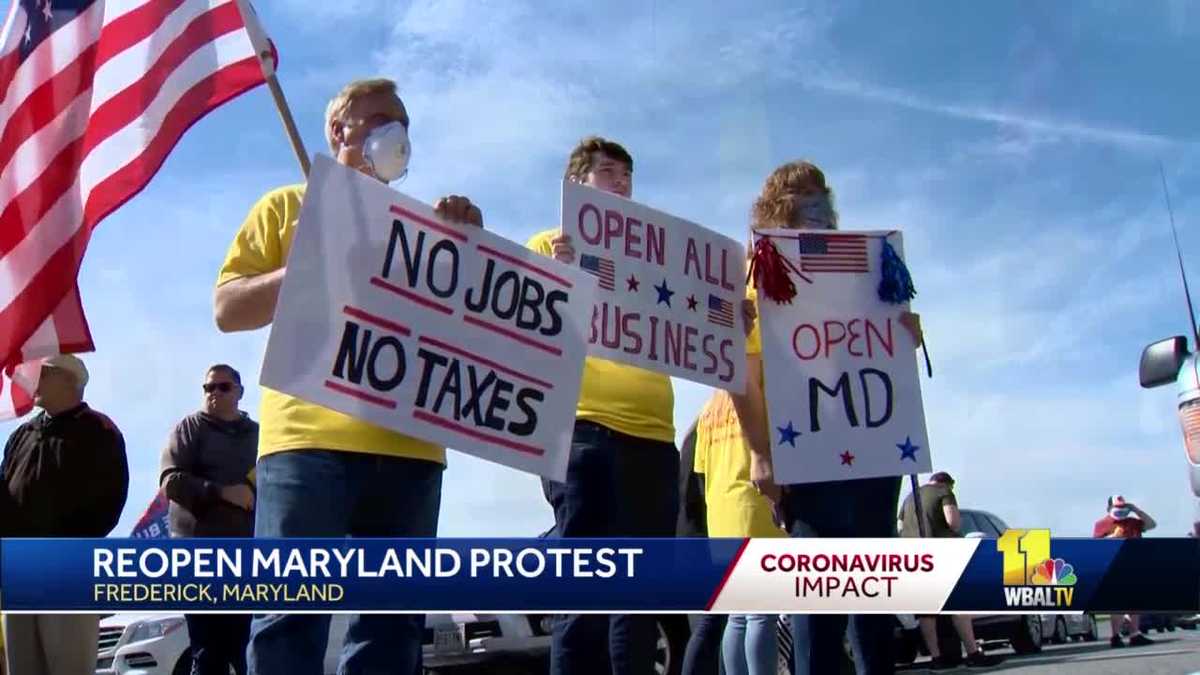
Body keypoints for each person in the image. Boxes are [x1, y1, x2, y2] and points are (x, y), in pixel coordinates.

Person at [213, 77, 483, 675]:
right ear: (339, 131)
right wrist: (307, 264)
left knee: (391, 631)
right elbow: (228, 309)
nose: (399, 131)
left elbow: (472, 329)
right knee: (288, 621)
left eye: (405, 121)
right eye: (382, 117)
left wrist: (471, 250)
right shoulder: (287, 205)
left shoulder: (428, 225)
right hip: (307, 446)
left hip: (411, 447)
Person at [728, 160, 922, 675]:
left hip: (875, 459)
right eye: (805, 203)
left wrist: (906, 335)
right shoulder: (760, 283)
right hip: (810, 464)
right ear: (780, 211)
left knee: (876, 604)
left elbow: (885, 358)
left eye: (823, 202)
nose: (819, 213)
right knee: (821, 605)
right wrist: (760, 456)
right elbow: (744, 380)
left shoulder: (867, 273)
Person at [526, 136, 683, 675]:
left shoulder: (658, 261)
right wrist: (561, 277)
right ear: (575, 185)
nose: (622, 182)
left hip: (655, 439)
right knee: (585, 591)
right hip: (582, 431)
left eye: (628, 175)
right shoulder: (548, 245)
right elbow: (525, 327)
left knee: (641, 596)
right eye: (609, 172)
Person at [1, 354, 128, 675]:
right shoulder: (21, 435)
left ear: (69, 380)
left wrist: (68, 551)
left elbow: (109, 502)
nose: (33, 379)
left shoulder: (99, 431)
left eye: (43, 372)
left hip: (66, 568)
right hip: (19, 569)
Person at [160, 364, 259, 675]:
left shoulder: (261, 435)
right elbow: (171, 481)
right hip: (199, 559)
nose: (214, 393)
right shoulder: (187, 429)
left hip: (250, 561)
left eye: (223, 387)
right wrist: (221, 492)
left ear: (240, 392)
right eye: (208, 388)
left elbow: (277, 478)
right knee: (208, 656)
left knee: (252, 652)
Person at [695, 390, 786, 675]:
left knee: (738, 615)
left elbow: (701, 468)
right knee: (761, 612)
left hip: (721, 516)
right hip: (754, 507)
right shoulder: (760, 393)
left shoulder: (709, 409)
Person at [898, 472, 1004, 670]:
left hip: (914, 558)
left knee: (926, 612)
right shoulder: (943, 491)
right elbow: (952, 522)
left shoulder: (909, 498)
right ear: (947, 483)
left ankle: (936, 658)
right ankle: (973, 653)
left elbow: (901, 527)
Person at [678, 419, 728, 675]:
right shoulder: (713, 426)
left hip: (691, 540)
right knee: (711, 626)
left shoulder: (701, 425)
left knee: (712, 627)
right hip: (703, 540)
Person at [1092, 495, 1156, 648]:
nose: (1121, 511)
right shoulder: (1102, 524)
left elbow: (1152, 525)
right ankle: (1115, 636)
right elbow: (1094, 547)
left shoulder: (1133, 522)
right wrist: (1112, 537)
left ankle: (1135, 634)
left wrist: (1135, 509)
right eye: (1117, 507)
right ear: (1109, 508)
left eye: (1123, 507)